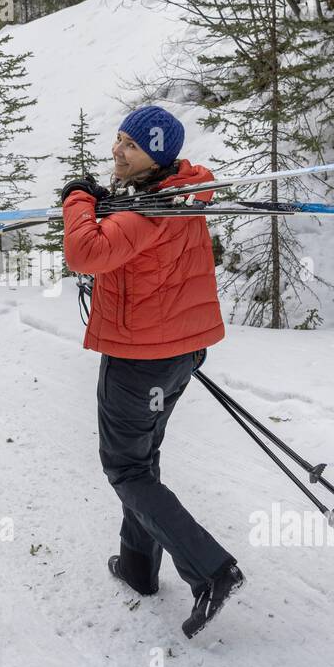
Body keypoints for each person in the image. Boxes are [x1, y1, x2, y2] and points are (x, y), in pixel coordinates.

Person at [61, 105, 245, 639]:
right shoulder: (183, 194)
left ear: (155, 158)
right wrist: (109, 199)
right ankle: (139, 567)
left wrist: (78, 198)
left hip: (141, 359)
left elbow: (84, 251)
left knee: (126, 468)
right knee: (144, 457)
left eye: (130, 146)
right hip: (180, 353)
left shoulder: (145, 213)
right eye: (118, 139)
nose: (117, 151)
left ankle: (211, 569)